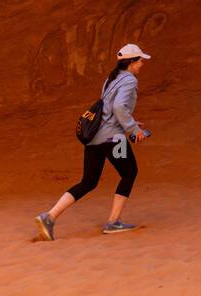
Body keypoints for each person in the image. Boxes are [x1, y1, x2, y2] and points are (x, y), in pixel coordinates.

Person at [35, 43, 153, 240]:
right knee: (130, 172)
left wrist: (131, 123)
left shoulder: (111, 79)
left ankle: (49, 216)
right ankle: (114, 222)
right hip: (113, 138)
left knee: (88, 181)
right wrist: (133, 129)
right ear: (132, 62)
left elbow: (108, 109)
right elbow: (118, 107)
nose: (143, 64)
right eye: (140, 60)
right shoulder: (130, 80)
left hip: (95, 138)